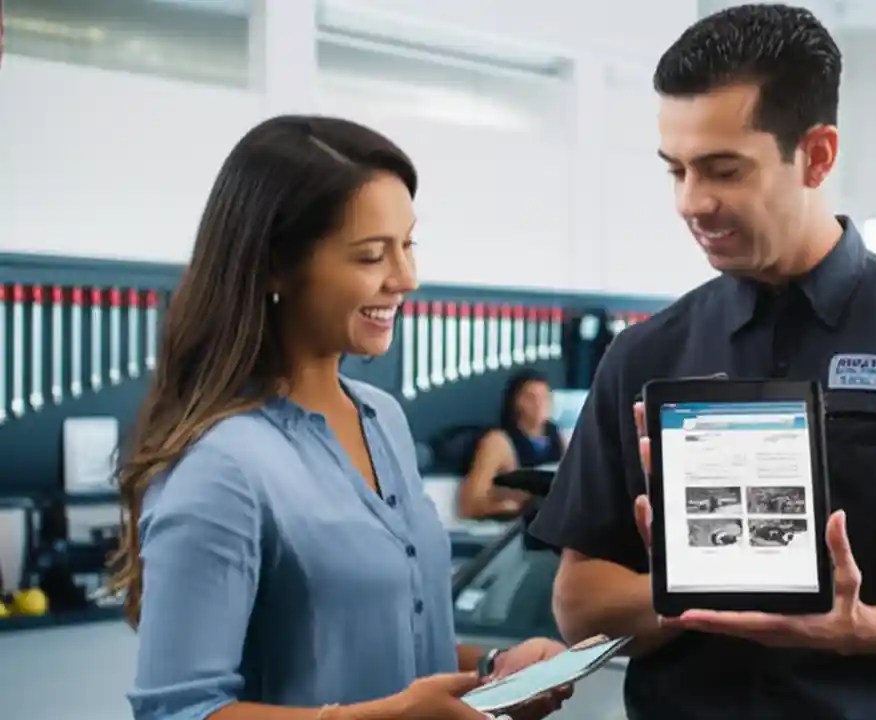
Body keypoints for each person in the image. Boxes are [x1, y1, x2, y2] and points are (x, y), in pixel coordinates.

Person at [527, 5, 876, 719]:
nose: (691, 201)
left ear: (817, 155)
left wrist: (864, 630)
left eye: (724, 170)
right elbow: (580, 605)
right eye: (676, 170)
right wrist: (693, 587)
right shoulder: (645, 354)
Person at [109, 115, 571, 720]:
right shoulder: (221, 466)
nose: (406, 278)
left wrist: (492, 672)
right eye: (371, 255)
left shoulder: (383, 419)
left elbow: (385, 654)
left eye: (408, 245)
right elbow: (179, 712)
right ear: (276, 264)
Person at [458, 370, 565, 520]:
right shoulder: (498, 442)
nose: (539, 404)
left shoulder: (556, 437)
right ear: (516, 402)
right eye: (531, 397)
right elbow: (470, 504)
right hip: (509, 526)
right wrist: (506, 506)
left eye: (545, 397)